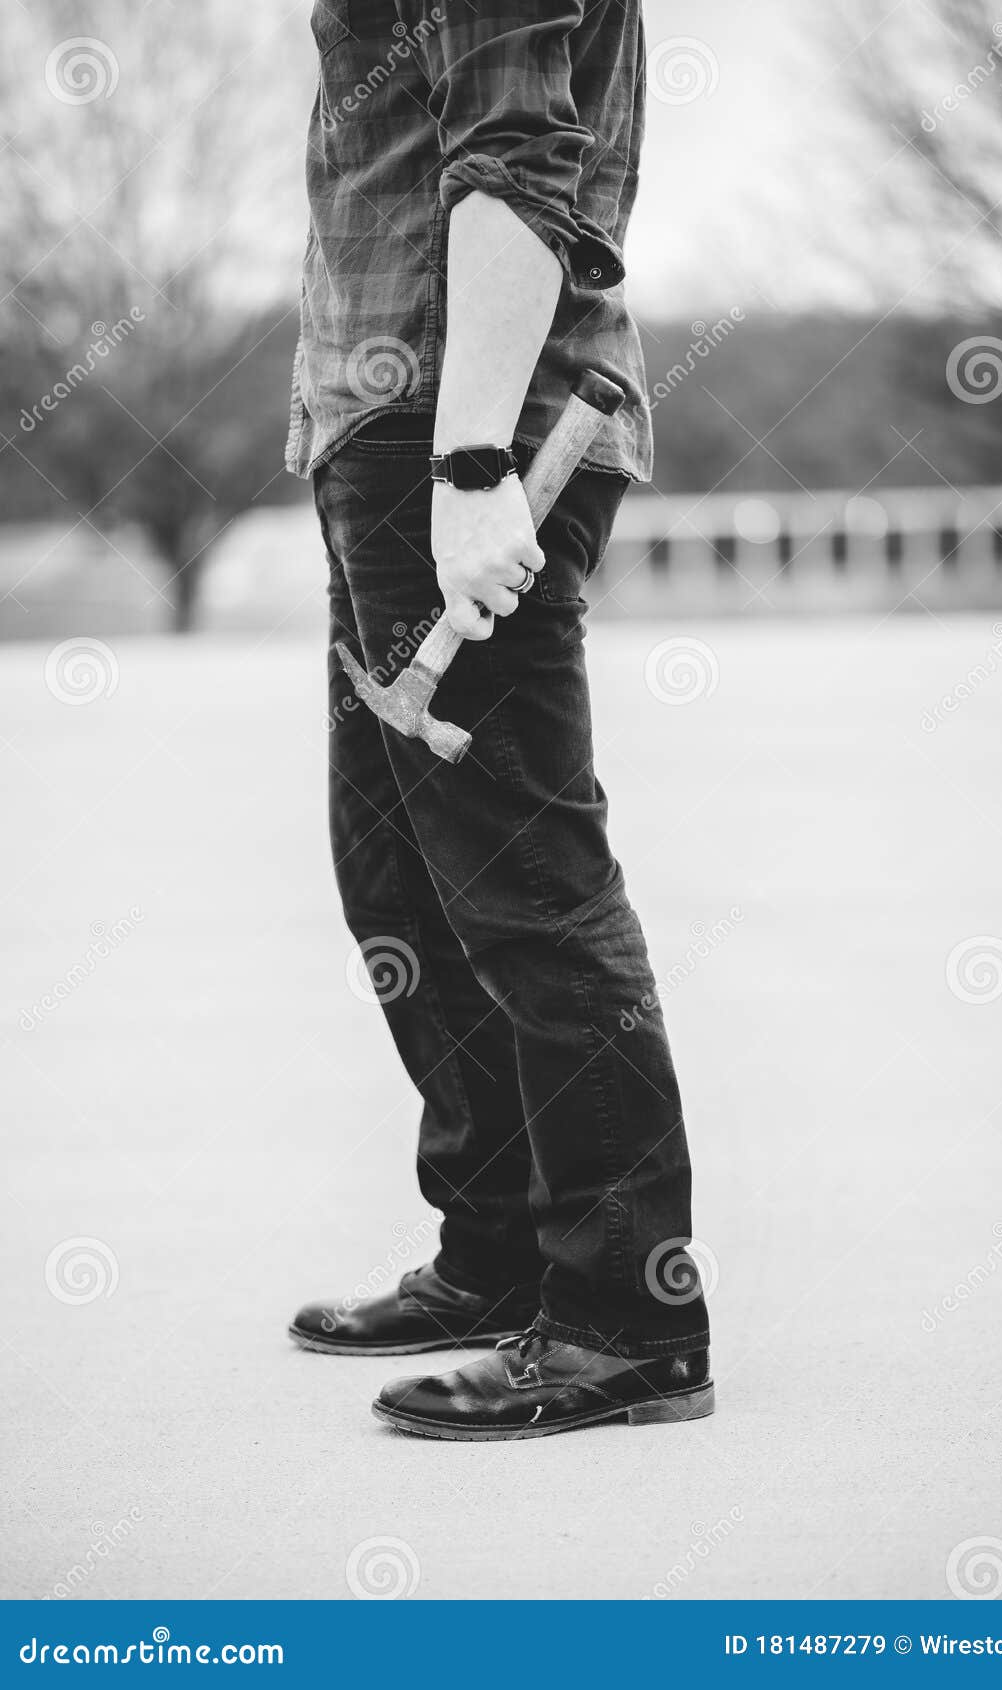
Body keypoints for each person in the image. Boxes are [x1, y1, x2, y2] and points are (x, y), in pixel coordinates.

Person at [285, 0, 711, 1439]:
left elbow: (516, 164)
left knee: (525, 885)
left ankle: (625, 1319)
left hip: (465, 438)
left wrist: (470, 462)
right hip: (388, 426)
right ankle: (501, 1255)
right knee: (402, 878)